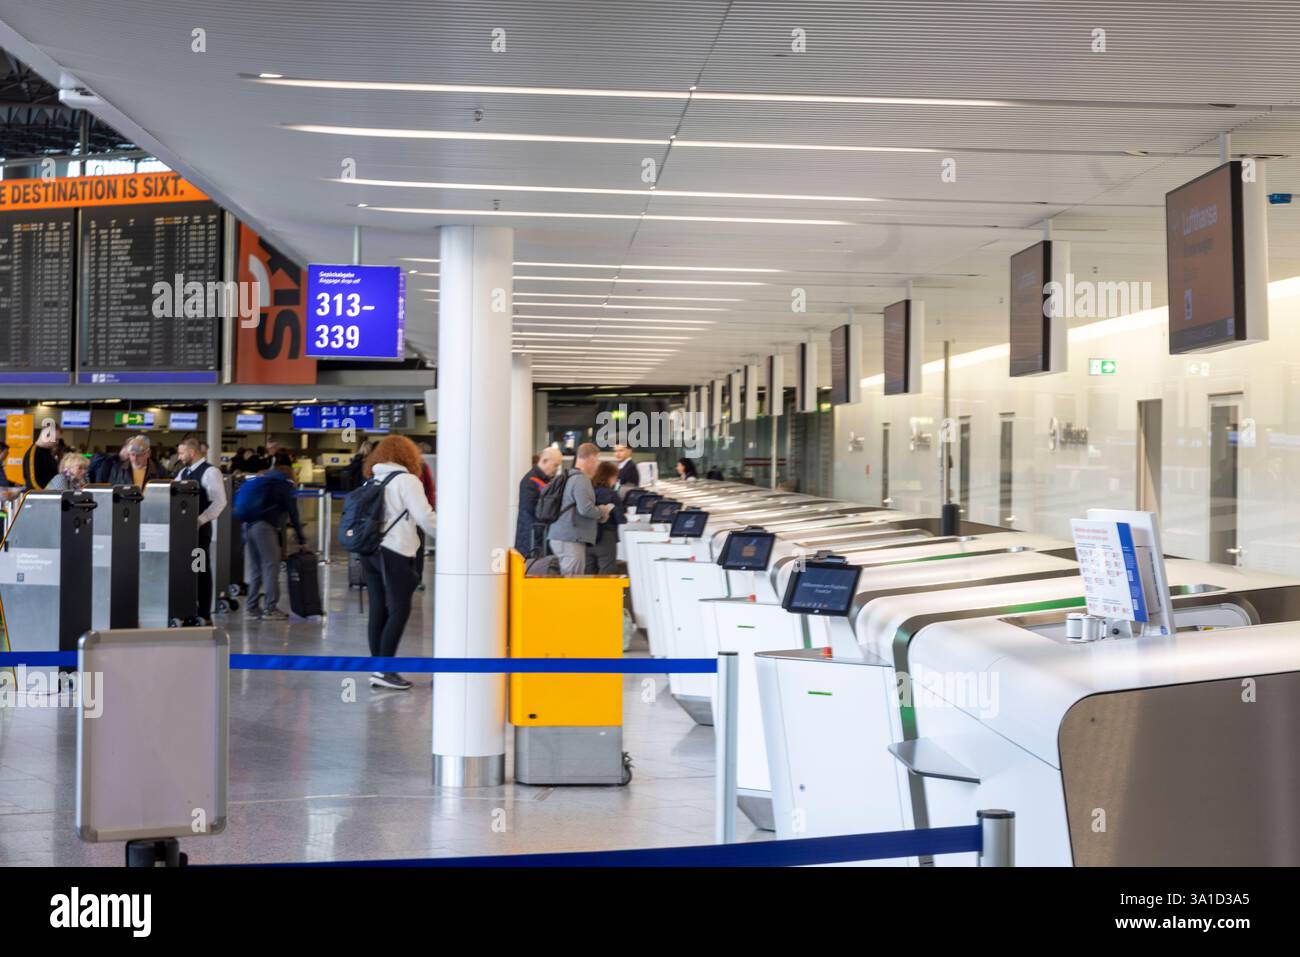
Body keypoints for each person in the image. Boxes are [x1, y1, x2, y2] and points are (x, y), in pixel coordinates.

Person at [360, 435, 437, 691]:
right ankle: (385, 670)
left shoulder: (373, 478)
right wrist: (454, 537)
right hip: (395, 550)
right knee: (400, 609)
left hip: (370, 550)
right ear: (408, 456)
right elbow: (425, 517)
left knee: (378, 609)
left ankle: (379, 668)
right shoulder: (407, 480)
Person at [243, 451, 306, 621]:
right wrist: (301, 538)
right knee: (271, 566)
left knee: (256, 568)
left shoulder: (263, 481)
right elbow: (294, 514)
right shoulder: (284, 486)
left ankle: (251, 607)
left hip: (248, 526)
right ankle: (270, 608)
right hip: (265, 527)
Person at [176, 436, 228, 622]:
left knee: (200, 570)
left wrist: (200, 520)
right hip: (182, 534)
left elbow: (220, 501)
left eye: (182, 453)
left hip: (199, 533)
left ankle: (204, 613)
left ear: (191, 452)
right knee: (185, 571)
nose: (179, 456)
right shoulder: (183, 473)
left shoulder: (210, 472)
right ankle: (187, 608)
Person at [546, 443, 613, 577]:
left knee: (568, 579)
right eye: (596, 460)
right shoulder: (581, 479)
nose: (597, 465)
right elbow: (585, 509)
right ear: (591, 459)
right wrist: (602, 511)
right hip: (571, 538)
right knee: (573, 583)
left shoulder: (568, 475)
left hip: (560, 535)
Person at [514, 447, 562, 555]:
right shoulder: (530, 481)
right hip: (532, 540)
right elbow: (532, 511)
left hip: (541, 537)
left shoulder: (546, 481)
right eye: (555, 465)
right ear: (544, 461)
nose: (556, 469)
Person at [587, 460, 625, 574]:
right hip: (606, 537)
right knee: (607, 574)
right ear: (610, 477)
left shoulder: (588, 491)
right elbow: (620, 519)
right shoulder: (612, 494)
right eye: (615, 478)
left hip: (588, 537)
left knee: (588, 574)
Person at [21, 422, 61, 489]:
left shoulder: (48, 452)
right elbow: (33, 483)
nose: (57, 442)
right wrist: (47, 494)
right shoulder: (34, 453)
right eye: (56, 439)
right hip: (40, 496)